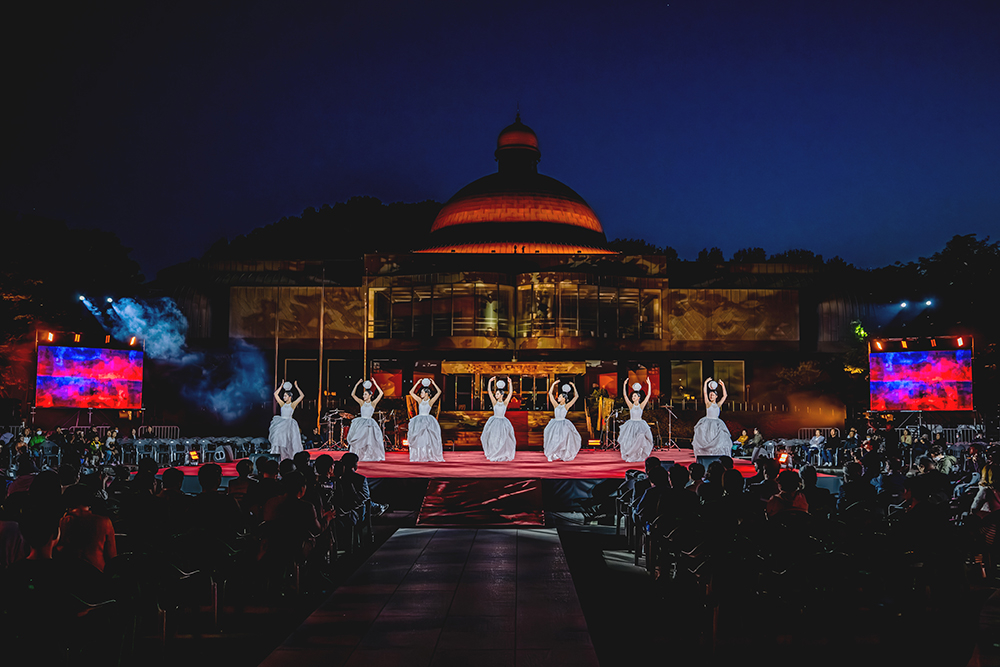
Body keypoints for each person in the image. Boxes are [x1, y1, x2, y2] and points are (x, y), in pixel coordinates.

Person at [692, 377, 731, 466]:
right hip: (707, 424)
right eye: (710, 395)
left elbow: (725, 396)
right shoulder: (708, 403)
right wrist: (705, 383)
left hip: (717, 424)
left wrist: (723, 385)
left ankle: (717, 457)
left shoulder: (718, 404)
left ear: (716, 396)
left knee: (720, 440)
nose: (711, 396)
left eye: (713, 395)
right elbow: (705, 393)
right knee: (706, 439)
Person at [348, 377, 386, 461]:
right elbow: (352, 395)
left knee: (370, 440)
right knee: (360, 439)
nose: (363, 396)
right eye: (363, 394)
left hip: (370, 423)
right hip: (361, 423)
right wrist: (357, 384)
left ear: (370, 395)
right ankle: (359, 455)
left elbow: (381, 393)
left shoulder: (373, 403)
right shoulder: (362, 403)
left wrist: (375, 383)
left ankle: (369, 455)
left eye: (365, 394)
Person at [543, 381, 581, 462]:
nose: (558, 398)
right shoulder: (556, 405)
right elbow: (550, 394)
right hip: (555, 424)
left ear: (564, 398)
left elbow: (576, 397)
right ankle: (551, 454)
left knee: (563, 441)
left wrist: (574, 386)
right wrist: (553, 384)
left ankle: (562, 455)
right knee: (553, 440)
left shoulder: (566, 406)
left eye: (560, 397)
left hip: (563, 425)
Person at [407, 378, 445, 462]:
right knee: (420, 438)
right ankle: (420, 455)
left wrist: (434, 383)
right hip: (420, 420)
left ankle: (427, 455)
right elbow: (411, 392)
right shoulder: (420, 401)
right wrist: (417, 383)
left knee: (428, 439)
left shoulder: (430, 402)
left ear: (427, 393)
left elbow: (439, 392)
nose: (420, 394)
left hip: (428, 421)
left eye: (422, 392)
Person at [481, 376, 517, 462]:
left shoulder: (505, 403)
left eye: (497, 394)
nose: (496, 395)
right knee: (494, 438)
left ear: (501, 395)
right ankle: (494, 453)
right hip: (495, 422)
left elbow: (510, 393)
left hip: (503, 422)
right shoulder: (494, 402)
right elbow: (489, 392)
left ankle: (501, 453)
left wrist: (510, 383)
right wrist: (489, 382)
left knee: (503, 439)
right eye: (496, 394)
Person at [618, 378, 654, 463]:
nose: (633, 397)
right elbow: (625, 396)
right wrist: (624, 385)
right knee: (631, 440)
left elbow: (648, 396)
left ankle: (638, 454)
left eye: (635, 396)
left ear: (638, 397)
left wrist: (649, 384)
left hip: (640, 424)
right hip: (631, 424)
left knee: (641, 437)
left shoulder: (641, 405)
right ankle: (632, 455)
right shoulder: (631, 405)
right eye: (633, 396)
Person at [269, 379, 305, 461]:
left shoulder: (292, 405)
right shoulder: (282, 404)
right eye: (283, 396)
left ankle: (290, 457)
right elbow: (275, 394)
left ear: (290, 397)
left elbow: (302, 396)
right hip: (281, 423)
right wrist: (281, 386)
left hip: (289, 424)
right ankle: (279, 456)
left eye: (285, 396)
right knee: (279, 440)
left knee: (289, 441)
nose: (283, 397)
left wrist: (296, 387)